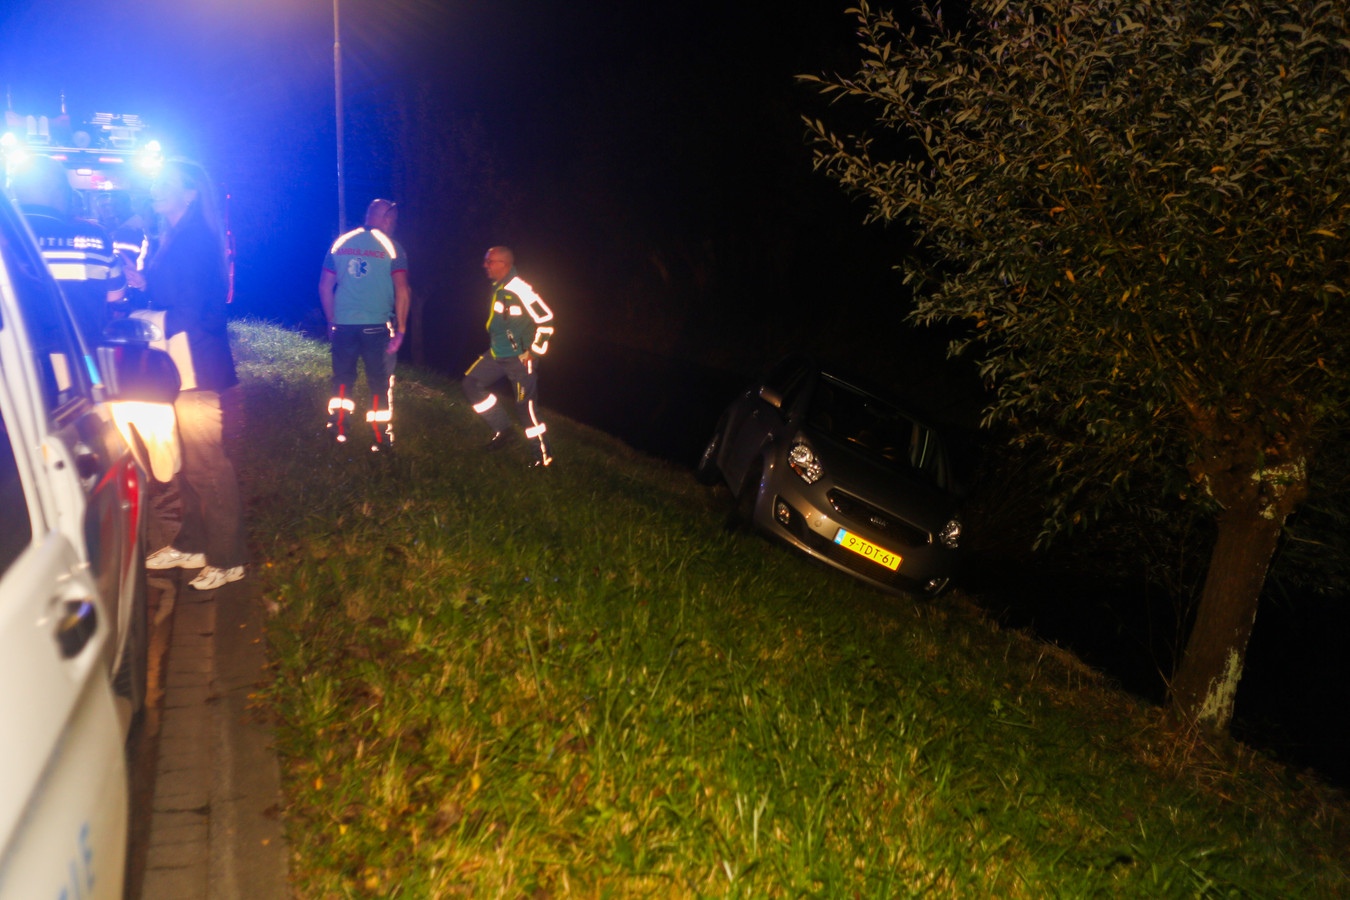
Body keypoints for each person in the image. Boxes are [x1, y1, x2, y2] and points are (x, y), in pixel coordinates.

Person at [141, 159, 248, 591]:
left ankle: (230, 558)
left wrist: (148, 315)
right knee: (186, 462)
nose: (156, 188)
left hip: (197, 366)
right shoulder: (174, 237)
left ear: (189, 194)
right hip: (178, 362)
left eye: (166, 183)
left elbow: (198, 312)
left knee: (207, 465)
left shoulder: (196, 240)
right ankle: (192, 544)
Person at [318, 198, 409, 451]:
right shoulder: (393, 248)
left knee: (343, 378)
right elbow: (402, 290)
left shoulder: (341, 243)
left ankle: (337, 427)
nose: (394, 223)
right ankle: (380, 438)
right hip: (377, 326)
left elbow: (325, 286)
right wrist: (401, 329)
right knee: (379, 382)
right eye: (393, 218)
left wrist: (331, 320)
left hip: (344, 325)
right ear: (385, 217)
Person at [8, 154, 126, 347]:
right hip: (79, 358)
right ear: (57, 189)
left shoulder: (6, 233)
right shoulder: (93, 235)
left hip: (15, 362)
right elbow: (115, 294)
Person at [462, 245, 556, 467]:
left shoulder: (520, 289)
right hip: (497, 354)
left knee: (525, 407)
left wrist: (534, 351)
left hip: (520, 359)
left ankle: (543, 456)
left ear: (504, 264)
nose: (485, 265)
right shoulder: (499, 287)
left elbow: (547, 320)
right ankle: (504, 430)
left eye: (489, 261)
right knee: (471, 384)